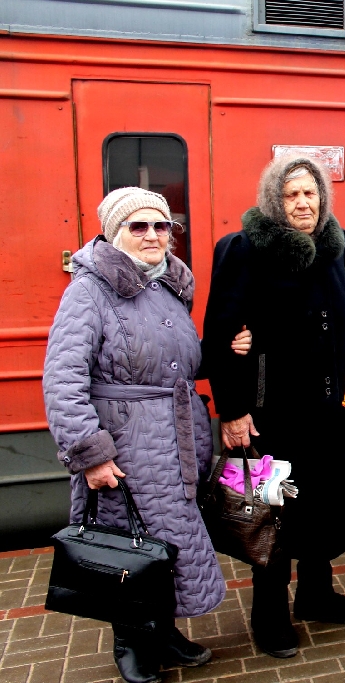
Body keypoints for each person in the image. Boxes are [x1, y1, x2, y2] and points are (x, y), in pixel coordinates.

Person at [43, 187, 239, 683]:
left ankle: (164, 631)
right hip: (126, 446)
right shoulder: (88, 291)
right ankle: (131, 642)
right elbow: (63, 378)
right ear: (115, 233)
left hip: (176, 443)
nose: (153, 235)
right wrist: (92, 455)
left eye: (162, 226)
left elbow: (179, 363)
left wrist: (225, 348)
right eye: (139, 226)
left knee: (167, 543)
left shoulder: (165, 286)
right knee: (128, 547)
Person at [202, 155, 345, 659]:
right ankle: (269, 614)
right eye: (291, 194)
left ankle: (316, 595)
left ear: (324, 198)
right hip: (268, 411)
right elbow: (219, 333)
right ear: (273, 199)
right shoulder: (242, 249)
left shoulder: (336, 248)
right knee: (271, 514)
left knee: (319, 505)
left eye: (311, 193)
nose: (303, 202)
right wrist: (232, 411)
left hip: (325, 409)